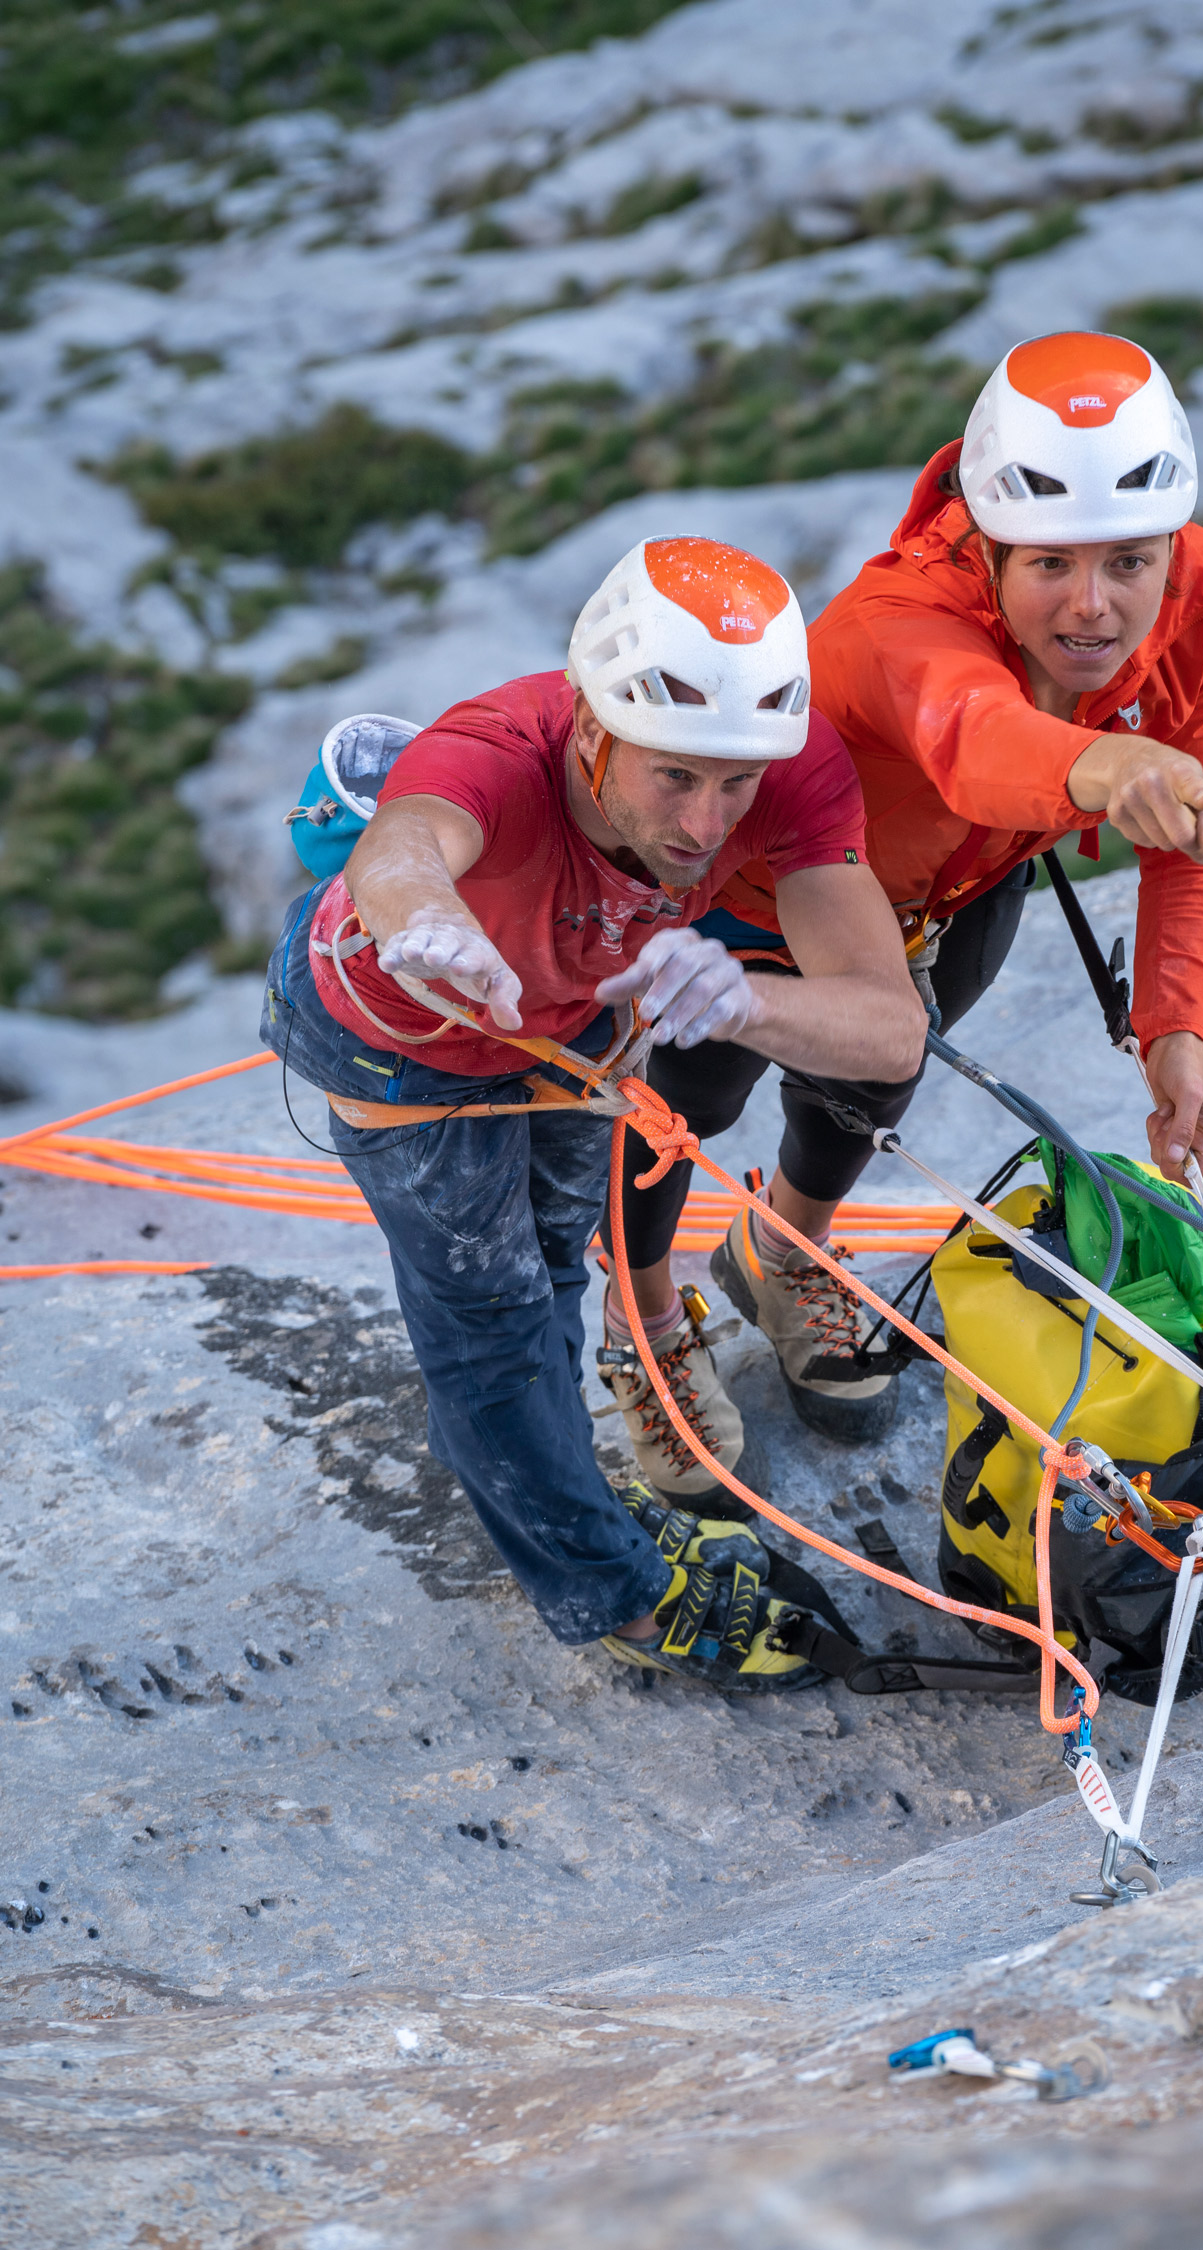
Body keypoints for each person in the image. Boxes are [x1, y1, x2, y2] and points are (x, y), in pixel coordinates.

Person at [261, 536, 927, 1692]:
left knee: (554, 1269)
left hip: (565, 1022)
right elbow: (408, 844)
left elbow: (891, 1030)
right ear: (590, 731)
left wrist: (751, 998)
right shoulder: (499, 748)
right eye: (676, 777)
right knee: (492, 1319)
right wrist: (428, 918)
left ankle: (555, 1476)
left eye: (735, 784)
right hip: (401, 1045)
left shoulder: (786, 758)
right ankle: (613, 1593)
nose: (708, 822)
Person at [609, 331, 1203, 1493]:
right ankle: (644, 1317)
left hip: (958, 892)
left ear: (1172, 542)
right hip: (756, 890)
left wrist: (1177, 1029)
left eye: (1129, 561)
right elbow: (971, 735)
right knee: (676, 1109)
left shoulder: (1202, 594)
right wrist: (1110, 767)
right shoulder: (894, 620)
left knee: (873, 1085)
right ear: (991, 542)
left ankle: (783, 1251)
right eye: (1050, 564)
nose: (1094, 607)